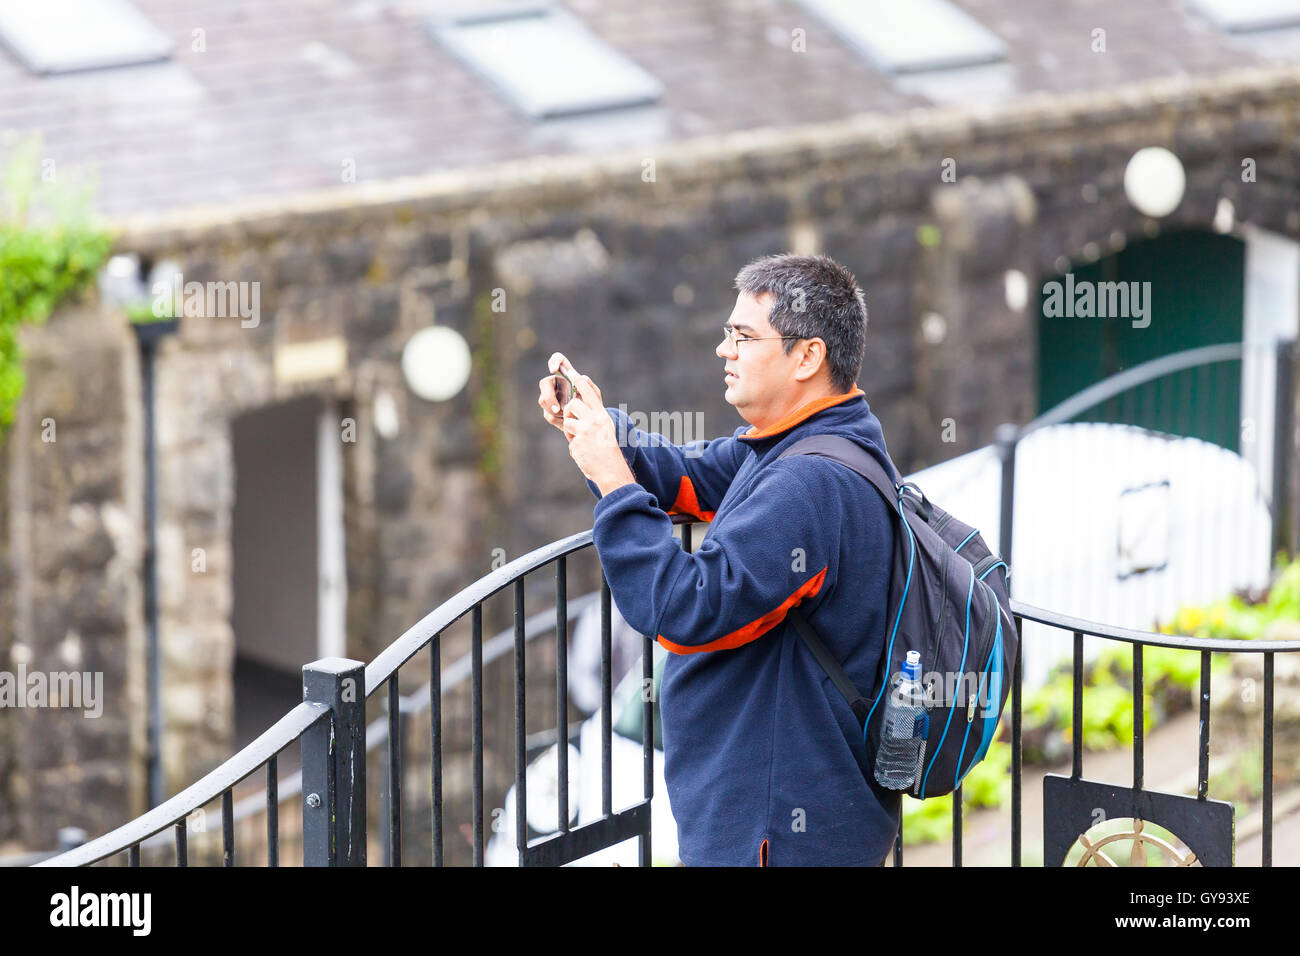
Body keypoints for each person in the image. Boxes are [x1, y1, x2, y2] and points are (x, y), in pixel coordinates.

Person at [537, 253, 900, 866]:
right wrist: (601, 428)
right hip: (775, 811)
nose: (722, 349)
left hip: (778, 830)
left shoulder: (811, 482)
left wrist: (609, 478)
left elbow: (684, 606)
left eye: (743, 336)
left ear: (807, 357)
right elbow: (692, 475)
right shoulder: (805, 441)